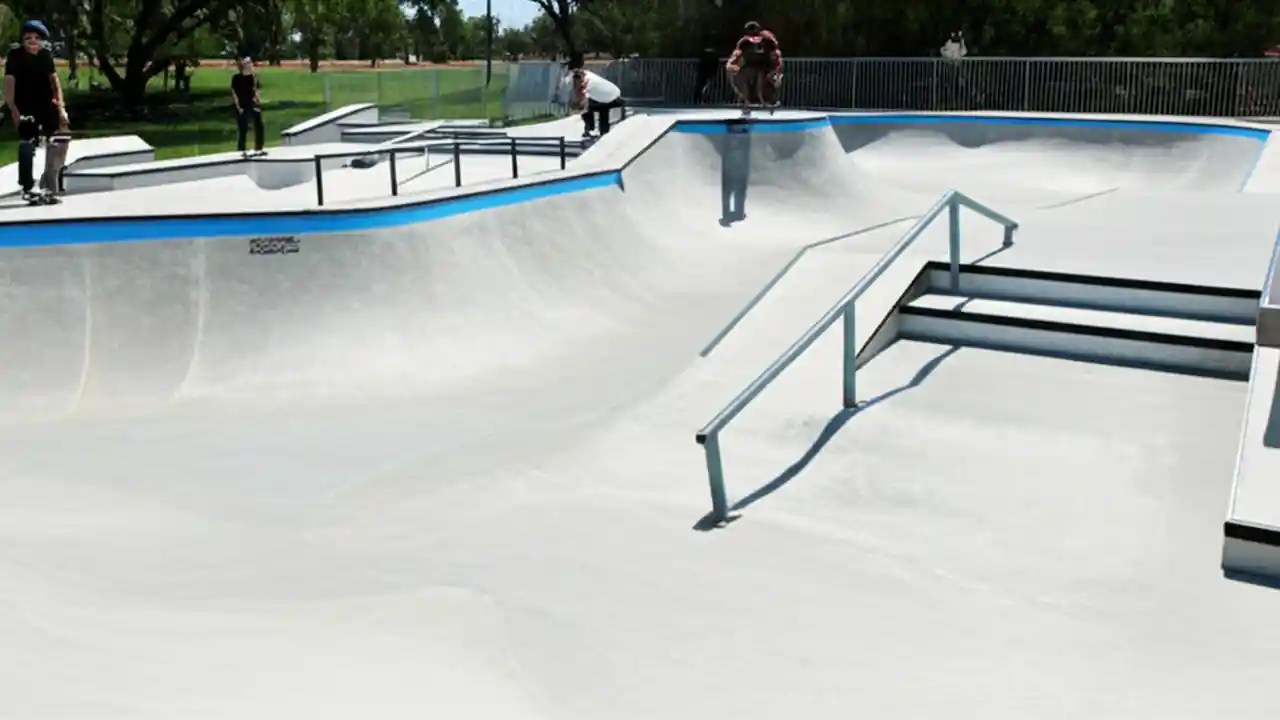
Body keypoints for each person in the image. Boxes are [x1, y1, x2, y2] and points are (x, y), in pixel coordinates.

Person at [4, 19, 67, 203]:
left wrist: (61, 108)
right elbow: (9, 85)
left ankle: (50, 185)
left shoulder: (45, 56)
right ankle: (27, 186)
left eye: (36, 38)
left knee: (57, 141)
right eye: (28, 38)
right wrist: (13, 109)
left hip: (47, 104)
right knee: (27, 143)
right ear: (22, 40)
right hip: (24, 104)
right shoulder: (15, 56)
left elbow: (55, 83)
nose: (32, 41)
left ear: (42, 41)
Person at [561, 52, 624, 138]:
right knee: (594, 104)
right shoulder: (585, 75)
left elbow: (579, 97)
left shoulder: (583, 80)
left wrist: (574, 105)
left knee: (586, 106)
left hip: (610, 98)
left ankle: (591, 128)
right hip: (614, 95)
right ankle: (600, 130)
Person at [726, 21, 782, 111]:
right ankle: (746, 98)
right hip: (754, 68)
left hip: (764, 68)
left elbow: (775, 56)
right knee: (739, 75)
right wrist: (732, 65)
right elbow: (737, 56)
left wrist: (774, 71)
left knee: (764, 80)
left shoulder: (767, 40)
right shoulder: (746, 42)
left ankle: (762, 99)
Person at [231, 56, 264, 155]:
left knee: (259, 125)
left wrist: (258, 102)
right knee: (243, 129)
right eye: (248, 64)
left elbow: (255, 90)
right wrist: (238, 107)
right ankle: (241, 150)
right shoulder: (236, 78)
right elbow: (234, 93)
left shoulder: (253, 77)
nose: (251, 65)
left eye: (251, 63)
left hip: (252, 104)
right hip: (242, 104)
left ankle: (259, 148)